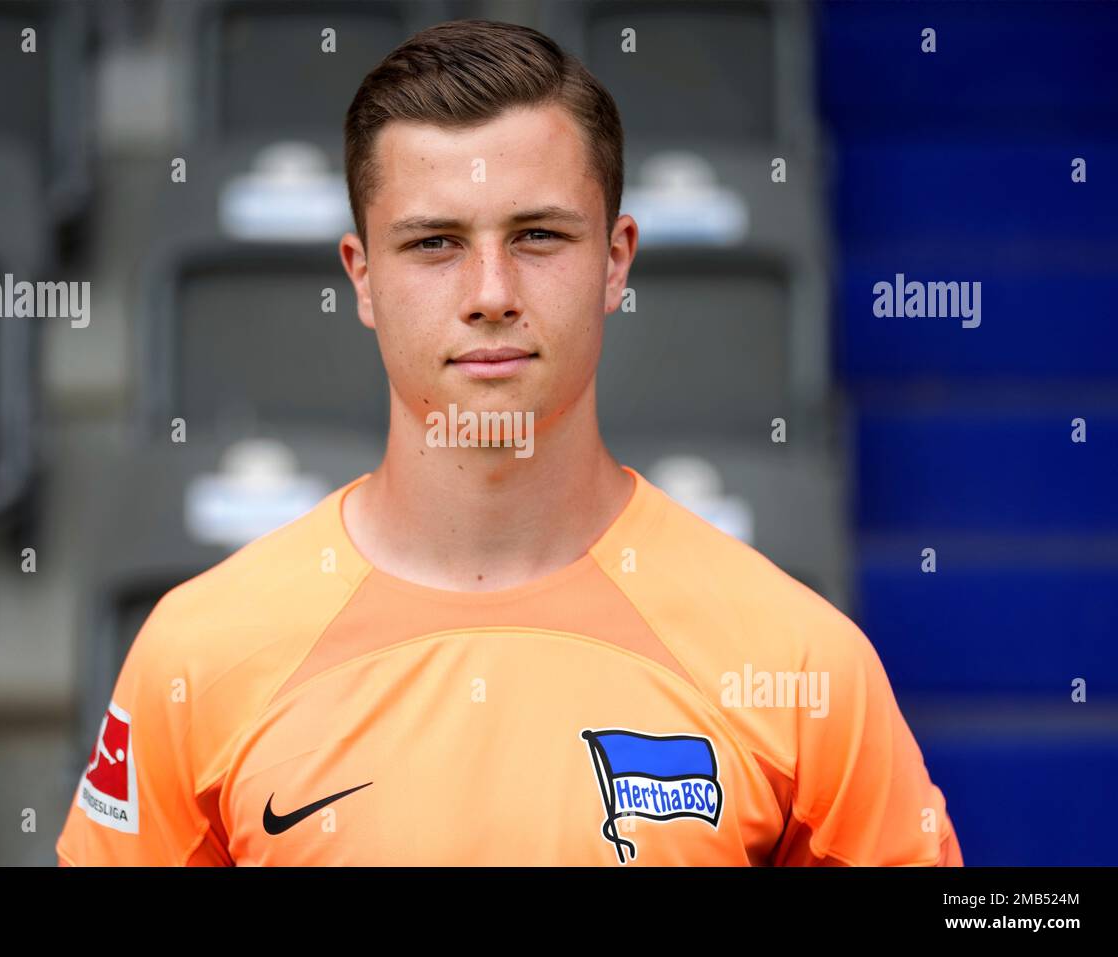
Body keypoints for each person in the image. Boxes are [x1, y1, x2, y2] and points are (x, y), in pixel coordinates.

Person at [57, 18, 962, 866]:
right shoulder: (199, 654)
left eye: (537, 235)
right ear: (362, 277)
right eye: (434, 244)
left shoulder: (797, 663)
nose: (490, 291)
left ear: (616, 260)